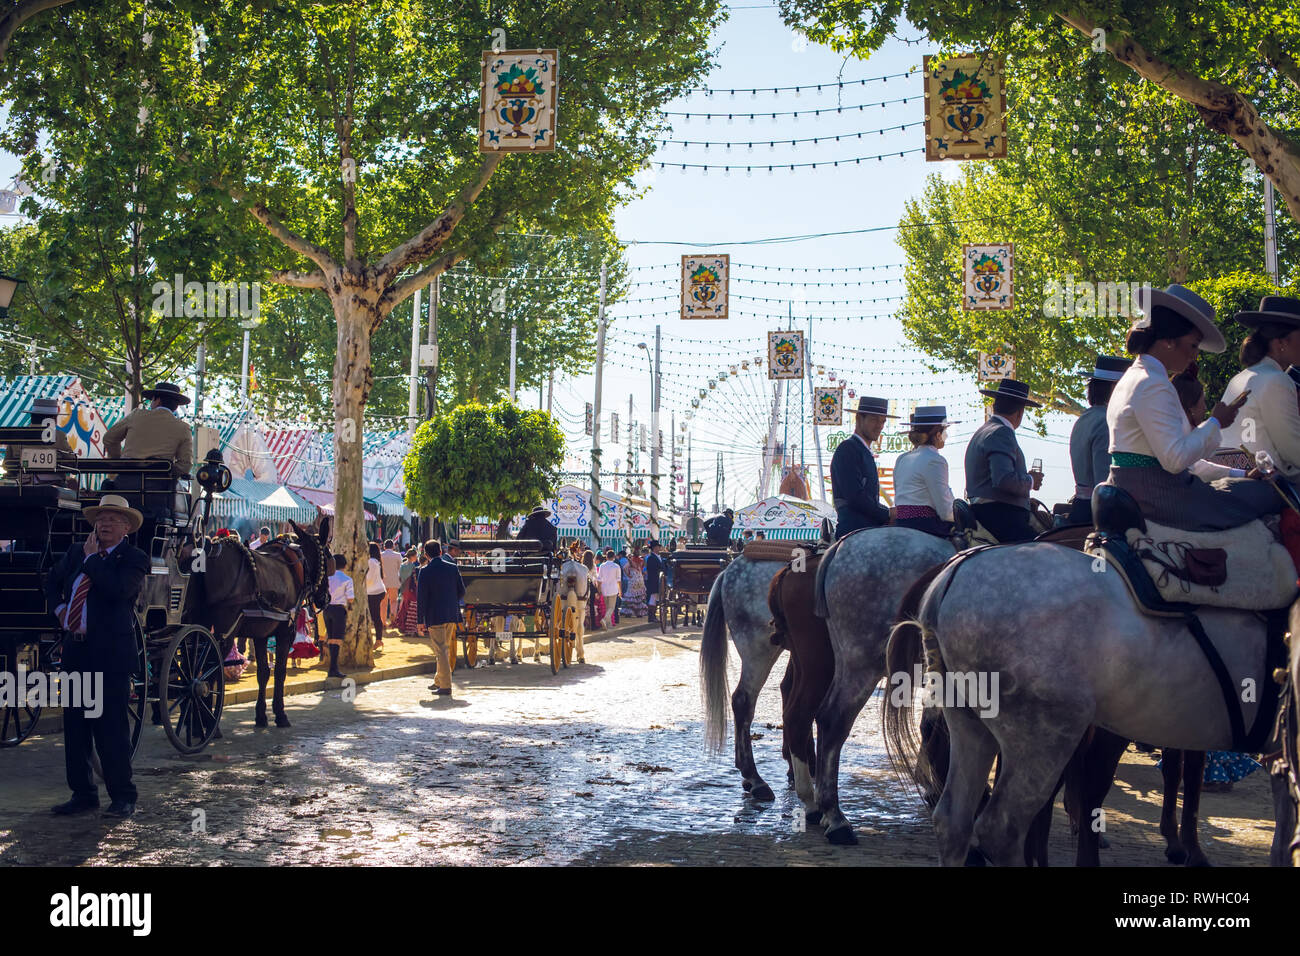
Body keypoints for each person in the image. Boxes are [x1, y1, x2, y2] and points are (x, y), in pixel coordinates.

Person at [1107, 283, 1280, 531]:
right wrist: (1216, 421)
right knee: (1270, 496)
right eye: (1193, 345)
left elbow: (1184, 461)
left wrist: (1241, 476)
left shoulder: (1134, 378)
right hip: (1159, 496)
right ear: (1168, 341)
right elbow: (1176, 461)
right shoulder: (1153, 384)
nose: (1195, 356)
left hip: (1143, 489)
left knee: (1250, 490)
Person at [44, 494, 150, 818]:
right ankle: (83, 794)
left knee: (110, 729)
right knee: (75, 727)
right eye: (101, 518)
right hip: (77, 650)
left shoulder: (133, 558)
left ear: (126, 527)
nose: (104, 524)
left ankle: (122, 796)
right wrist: (61, 610)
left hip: (111, 655)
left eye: (113, 519)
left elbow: (117, 590)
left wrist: (93, 561)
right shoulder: (78, 551)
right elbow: (51, 581)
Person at [1216, 296, 1300, 475]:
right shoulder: (1277, 380)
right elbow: (1292, 449)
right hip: (1263, 485)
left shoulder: (1239, 378)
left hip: (1233, 479)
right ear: (1280, 343)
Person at [964, 378, 1042, 543]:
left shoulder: (983, 431)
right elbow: (1003, 479)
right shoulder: (1002, 432)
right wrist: (1031, 481)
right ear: (1020, 412)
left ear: (994, 406)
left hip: (985, 510)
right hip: (1000, 515)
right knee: (1046, 554)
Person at [1067, 356, 1132, 524]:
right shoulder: (1106, 421)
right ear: (1114, 388)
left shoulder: (1084, 418)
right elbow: (1106, 481)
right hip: (1098, 513)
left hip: (1081, 507)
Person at [830, 396, 896, 539]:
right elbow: (855, 497)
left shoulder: (861, 450)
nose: (879, 425)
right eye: (874, 419)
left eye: (883, 421)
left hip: (866, 530)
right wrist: (887, 514)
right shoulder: (848, 449)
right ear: (859, 418)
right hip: (854, 531)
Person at [103, 381, 194, 480]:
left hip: (126, 482)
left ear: (158, 400)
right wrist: (168, 473)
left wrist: (117, 462)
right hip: (160, 488)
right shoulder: (183, 428)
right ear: (176, 406)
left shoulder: (136, 415)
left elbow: (109, 439)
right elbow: (186, 464)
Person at [893, 405, 958, 538]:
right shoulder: (935, 460)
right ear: (938, 435)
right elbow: (945, 512)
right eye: (945, 431)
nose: (947, 435)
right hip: (926, 527)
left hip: (901, 524)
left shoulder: (902, 459)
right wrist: (966, 516)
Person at [418, 540, 465, 697]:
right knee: (443, 648)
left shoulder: (424, 571)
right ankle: (439, 680)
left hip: (434, 615)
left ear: (426, 554)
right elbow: (461, 591)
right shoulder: (452, 568)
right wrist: (451, 601)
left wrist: (419, 621)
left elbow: (422, 599)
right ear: (440, 552)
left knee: (441, 650)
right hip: (450, 613)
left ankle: (445, 685)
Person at [323, 553, 354, 678]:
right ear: (345, 565)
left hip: (327, 608)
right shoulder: (347, 579)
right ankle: (333, 668)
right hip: (339, 609)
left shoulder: (326, 578)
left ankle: (332, 667)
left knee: (331, 638)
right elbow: (351, 598)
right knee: (337, 640)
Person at [557, 550, 590, 664]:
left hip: (565, 599)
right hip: (580, 598)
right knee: (580, 622)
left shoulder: (562, 567)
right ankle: (580, 652)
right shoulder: (584, 569)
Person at [366, 541, 386, 651]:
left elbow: (368, 579)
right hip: (376, 591)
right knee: (375, 616)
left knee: (375, 617)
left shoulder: (371, 562)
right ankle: (378, 639)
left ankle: (378, 640)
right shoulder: (375, 561)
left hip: (373, 592)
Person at [597, 549, 622, 628]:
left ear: (606, 557)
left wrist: (599, 590)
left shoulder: (602, 566)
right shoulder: (616, 566)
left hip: (604, 588)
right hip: (613, 589)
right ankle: (605, 620)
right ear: (613, 557)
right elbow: (619, 580)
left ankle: (609, 624)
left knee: (608, 607)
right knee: (611, 608)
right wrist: (620, 591)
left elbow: (599, 579)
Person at [380, 538, 402, 626]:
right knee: (393, 601)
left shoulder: (381, 555)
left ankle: (383, 621)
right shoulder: (397, 555)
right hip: (394, 581)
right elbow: (400, 568)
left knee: (383, 603)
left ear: (384, 547)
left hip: (383, 581)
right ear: (393, 546)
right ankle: (393, 615)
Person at [622, 546, 648, 617]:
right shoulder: (641, 560)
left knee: (631, 596)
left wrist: (628, 574)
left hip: (633, 578)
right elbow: (642, 569)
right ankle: (639, 613)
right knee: (639, 596)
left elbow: (624, 568)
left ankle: (629, 612)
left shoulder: (631, 560)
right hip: (639, 578)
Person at [644, 540, 664, 622]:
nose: (659, 548)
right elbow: (652, 570)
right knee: (653, 598)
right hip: (654, 581)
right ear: (654, 548)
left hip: (658, 581)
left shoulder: (658, 557)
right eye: (658, 547)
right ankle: (651, 616)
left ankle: (653, 615)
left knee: (655, 599)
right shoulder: (651, 558)